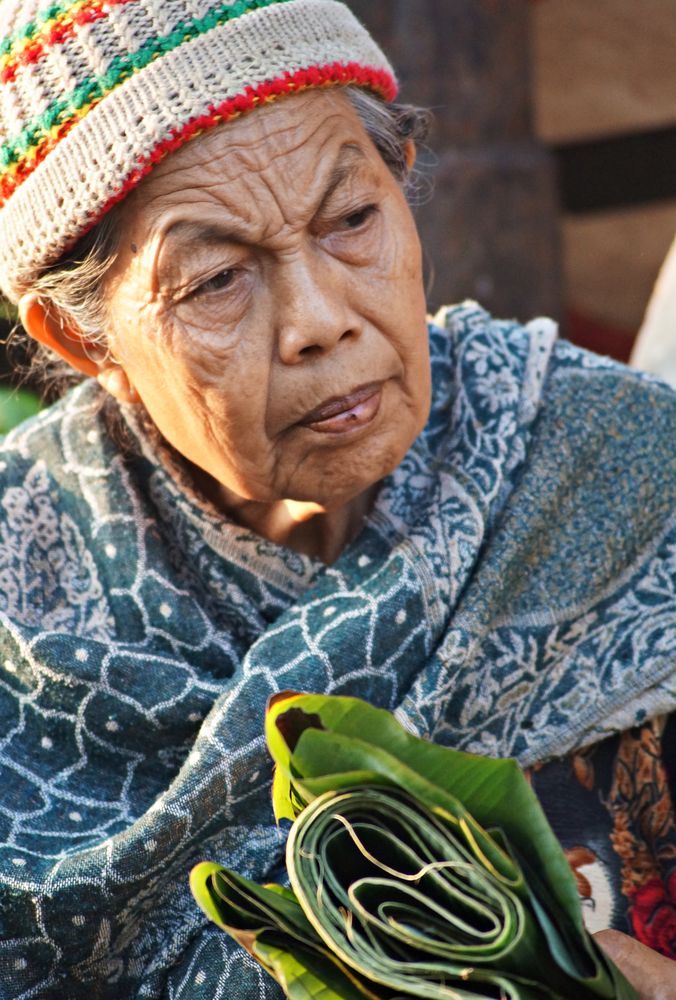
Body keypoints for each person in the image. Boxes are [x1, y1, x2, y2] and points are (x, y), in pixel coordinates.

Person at [0, 1, 674, 996]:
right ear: (83, 341)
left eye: (351, 220)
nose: (321, 321)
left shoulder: (623, 471)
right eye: (218, 278)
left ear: (401, 184)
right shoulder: (25, 601)